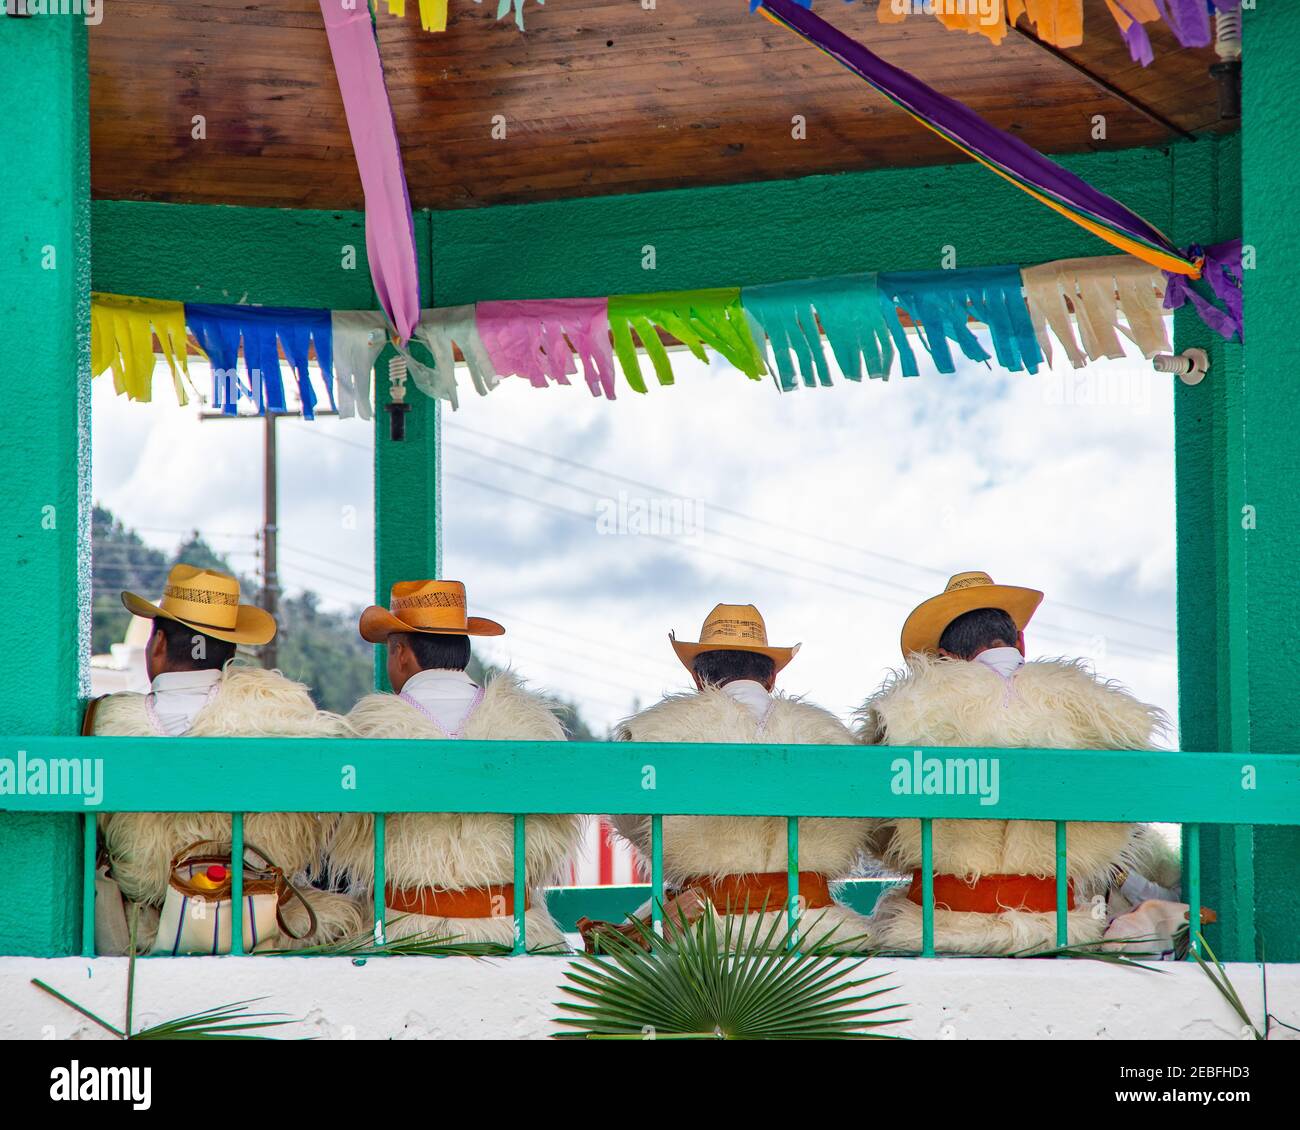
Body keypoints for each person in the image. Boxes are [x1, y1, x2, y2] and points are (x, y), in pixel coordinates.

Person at [857, 571, 1180, 955]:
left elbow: (876, 831)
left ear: (943, 658)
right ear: (1020, 641)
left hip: (939, 925)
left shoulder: (903, 712)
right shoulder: (1105, 715)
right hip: (1057, 927)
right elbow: (1133, 805)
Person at [86, 564, 363, 953]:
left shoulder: (105, 724)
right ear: (230, 655)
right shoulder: (281, 715)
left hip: (147, 925)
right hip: (262, 923)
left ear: (159, 644)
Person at [326, 580, 581, 953]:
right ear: (462, 650)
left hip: (403, 931)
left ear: (401, 653)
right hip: (516, 931)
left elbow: (338, 829)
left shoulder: (369, 729)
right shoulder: (531, 723)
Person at [609, 603, 874, 951]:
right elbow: (866, 821)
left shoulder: (653, 733)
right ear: (773, 678)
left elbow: (631, 823)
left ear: (697, 677)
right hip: (812, 927)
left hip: (705, 931)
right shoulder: (832, 736)